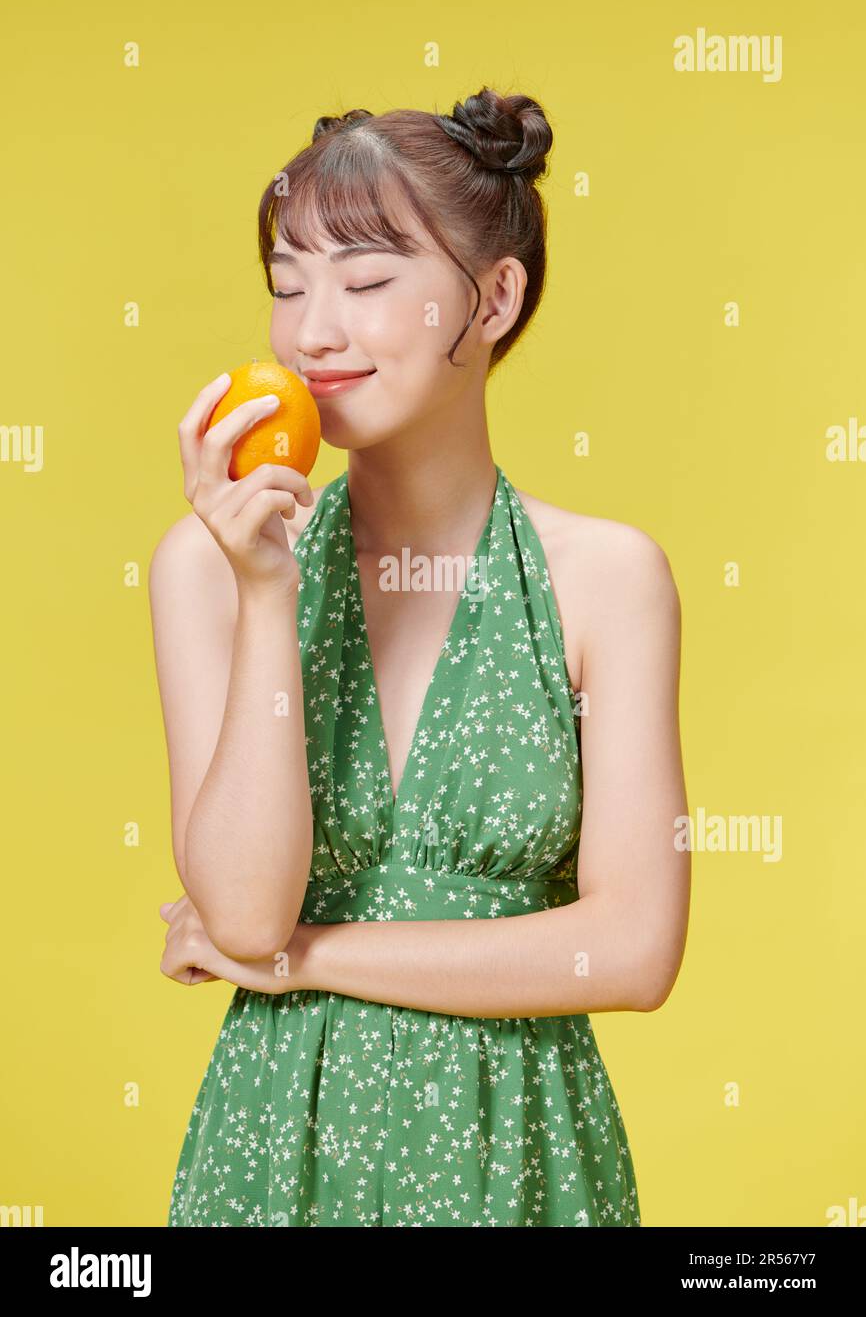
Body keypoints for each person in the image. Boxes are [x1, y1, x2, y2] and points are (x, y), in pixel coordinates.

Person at [149, 87, 690, 1227]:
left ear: (493, 297)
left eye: (367, 281)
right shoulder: (209, 568)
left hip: (519, 1151)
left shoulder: (606, 579)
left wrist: (307, 957)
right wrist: (262, 593)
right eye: (288, 287)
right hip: (276, 1146)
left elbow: (632, 950)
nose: (312, 332)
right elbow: (243, 912)